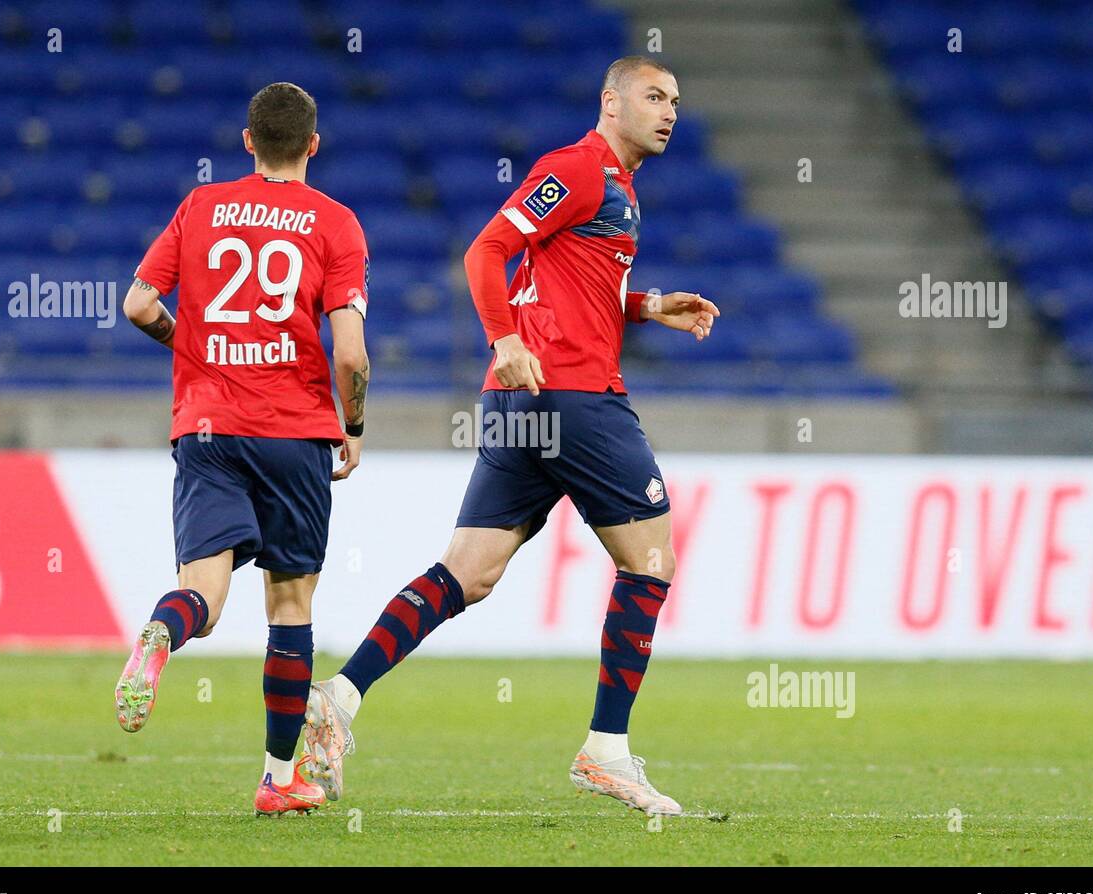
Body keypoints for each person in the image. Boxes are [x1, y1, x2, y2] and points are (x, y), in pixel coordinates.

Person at [302, 56, 717, 816]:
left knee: (468, 573)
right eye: (653, 96)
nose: (669, 112)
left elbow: (570, 287)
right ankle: (606, 751)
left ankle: (339, 694)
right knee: (652, 561)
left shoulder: (616, 193)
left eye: (676, 101)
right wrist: (503, 338)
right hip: (575, 396)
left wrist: (650, 305)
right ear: (610, 102)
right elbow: (486, 250)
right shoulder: (580, 169)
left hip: (520, 404)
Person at [113, 82, 371, 817]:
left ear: (247, 141)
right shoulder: (336, 224)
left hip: (206, 427)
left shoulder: (201, 207)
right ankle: (277, 777)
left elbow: (136, 302)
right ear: (313, 146)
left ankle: (164, 631)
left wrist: (185, 343)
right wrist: (351, 426)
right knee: (289, 605)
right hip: (293, 432)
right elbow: (349, 352)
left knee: (206, 589)